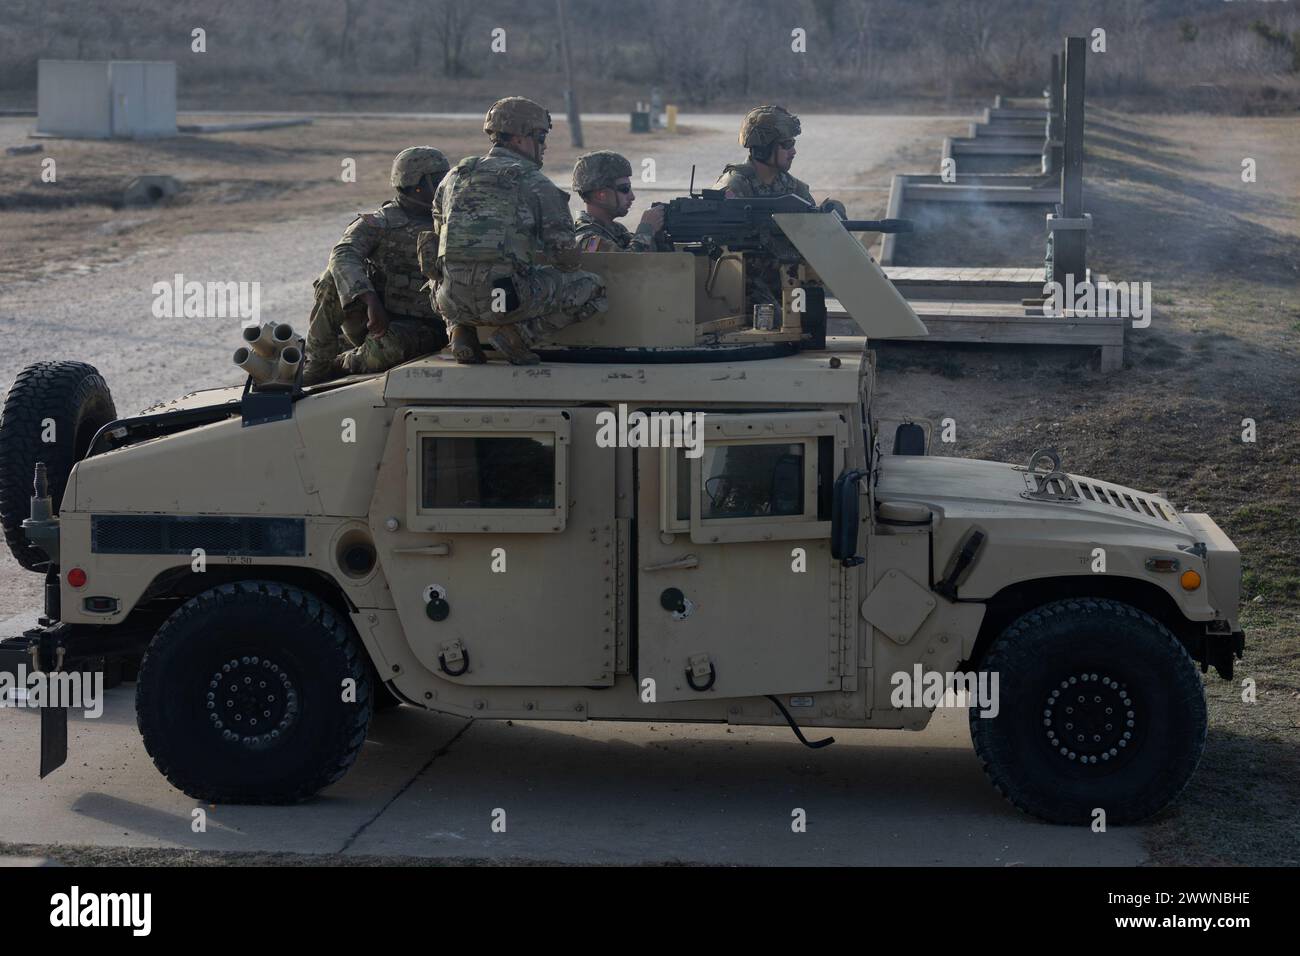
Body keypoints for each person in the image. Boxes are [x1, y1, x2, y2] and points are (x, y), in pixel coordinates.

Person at [429, 96, 607, 365]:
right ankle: (517, 336)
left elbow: (438, 234)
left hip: (451, 300)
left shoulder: (454, 176)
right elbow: (567, 260)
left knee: (436, 272)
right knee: (592, 286)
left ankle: (459, 331)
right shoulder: (536, 183)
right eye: (541, 137)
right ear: (520, 138)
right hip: (506, 302)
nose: (544, 146)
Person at [303, 147, 451, 385]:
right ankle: (318, 362)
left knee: (392, 349)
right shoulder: (381, 222)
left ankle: (341, 362)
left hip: (422, 326)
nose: (445, 186)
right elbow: (343, 253)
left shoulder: (449, 220)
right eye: (438, 180)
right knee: (331, 277)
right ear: (416, 184)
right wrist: (369, 298)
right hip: (377, 319)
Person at [571, 150, 669, 252]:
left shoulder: (616, 230)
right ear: (601, 196)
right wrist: (646, 229)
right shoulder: (588, 241)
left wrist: (657, 235)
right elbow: (628, 265)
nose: (632, 197)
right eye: (624, 189)